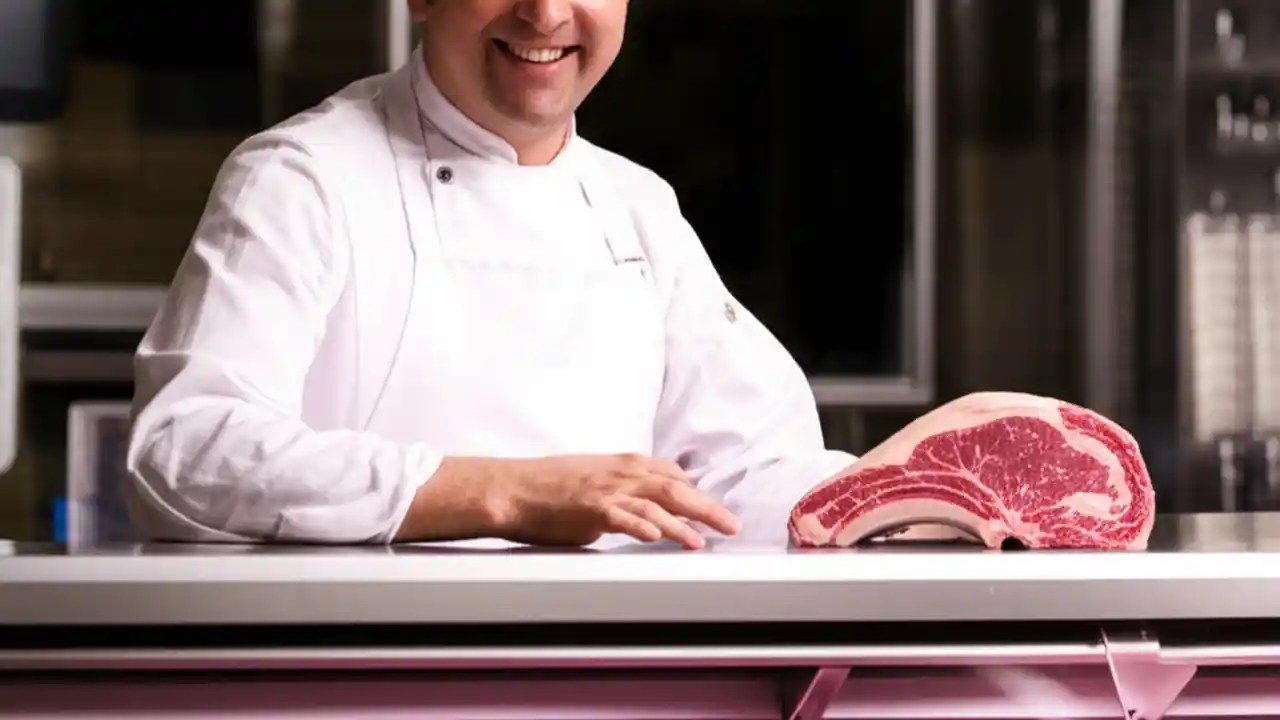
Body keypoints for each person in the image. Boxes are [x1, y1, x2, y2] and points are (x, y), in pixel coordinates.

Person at [124, 0, 858, 550]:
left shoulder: (637, 206)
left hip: (611, 674)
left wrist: (910, 490)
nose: (544, 14)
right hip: (365, 673)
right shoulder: (304, 179)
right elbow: (187, 449)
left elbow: (745, 475)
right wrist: (508, 492)